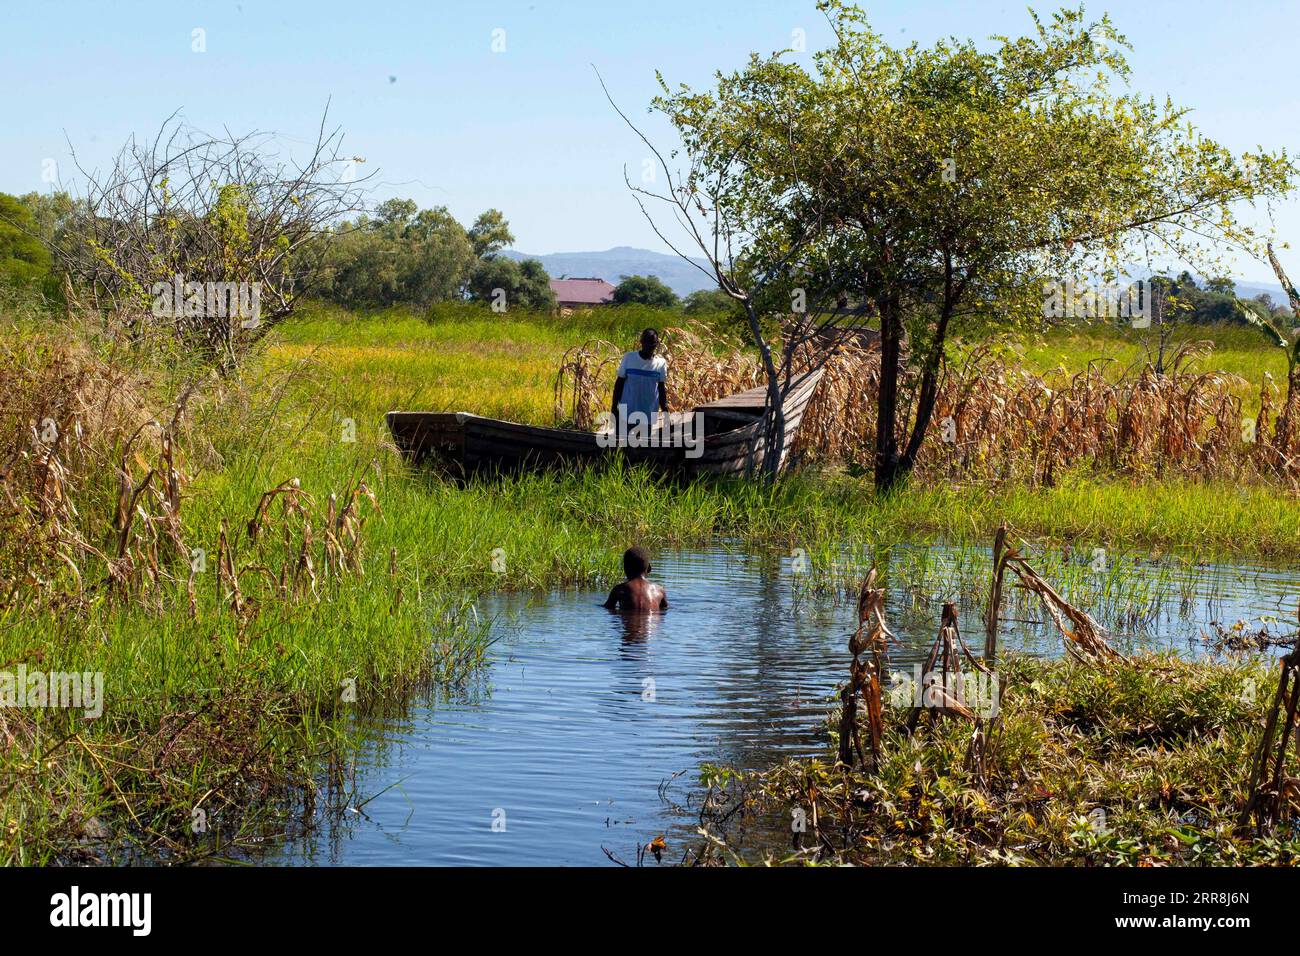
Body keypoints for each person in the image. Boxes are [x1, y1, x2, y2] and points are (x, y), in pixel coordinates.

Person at [611, 328, 669, 433]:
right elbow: (619, 383)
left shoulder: (661, 363)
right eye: (647, 343)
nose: (649, 346)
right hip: (627, 412)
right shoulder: (629, 358)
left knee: (642, 446)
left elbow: (661, 389)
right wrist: (614, 407)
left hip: (647, 414)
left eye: (652, 344)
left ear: (657, 344)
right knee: (623, 444)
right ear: (641, 342)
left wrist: (665, 409)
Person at [603, 546, 669, 613]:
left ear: (625, 569)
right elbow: (664, 611)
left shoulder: (619, 589)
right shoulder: (660, 591)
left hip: (628, 621)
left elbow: (608, 608)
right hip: (651, 623)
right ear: (649, 568)